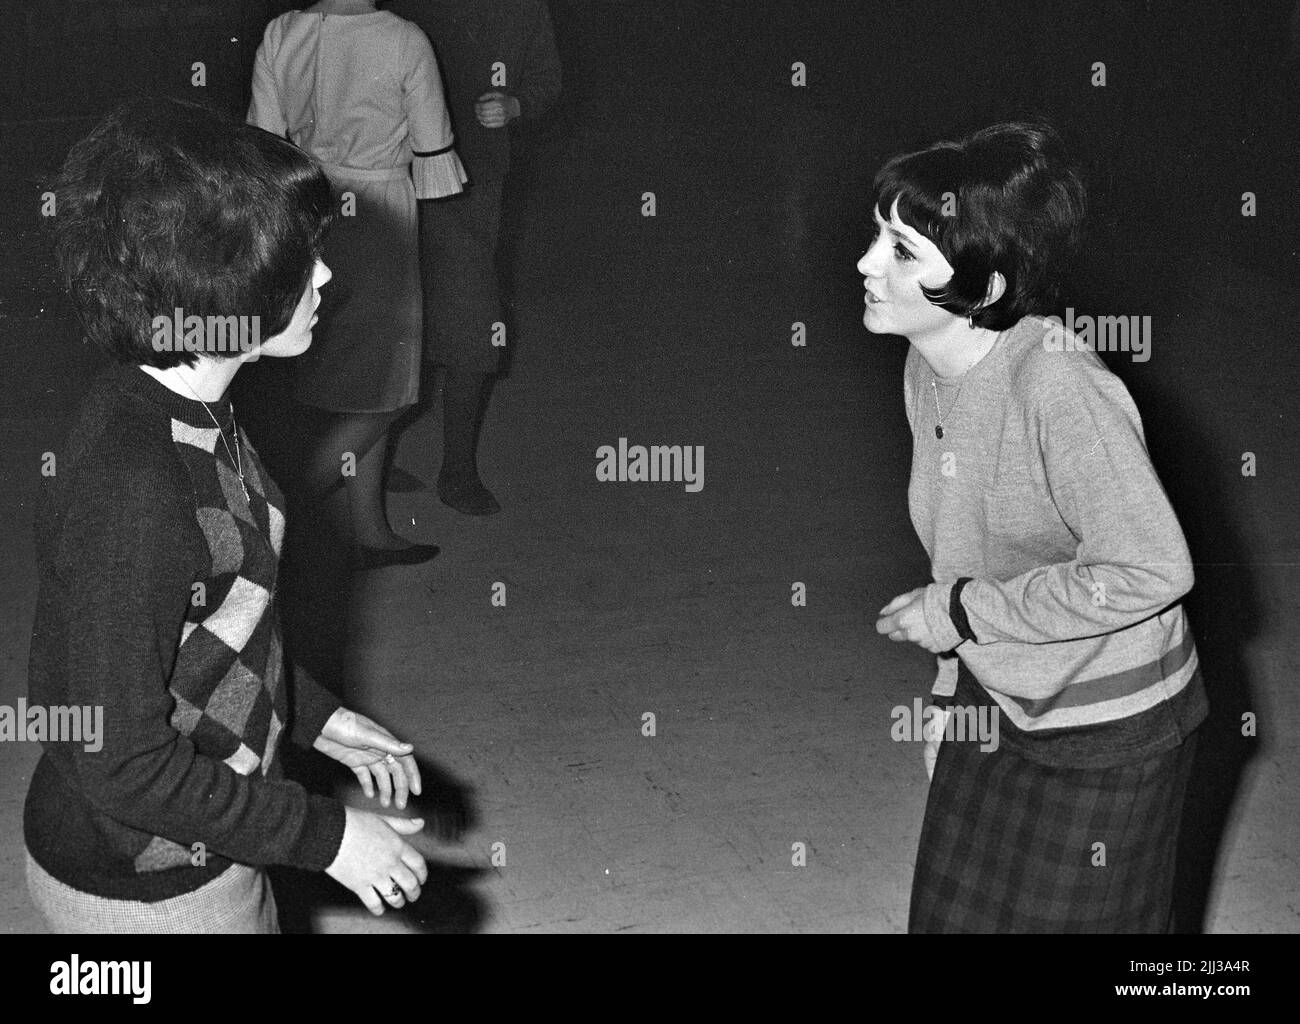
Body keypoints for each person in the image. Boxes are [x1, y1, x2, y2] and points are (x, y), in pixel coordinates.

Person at [25, 97, 430, 932]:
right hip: (144, 884)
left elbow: (214, 625)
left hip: (205, 843)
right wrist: (328, 838)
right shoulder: (135, 483)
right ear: (220, 291)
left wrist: (314, 715)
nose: (324, 277)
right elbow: (118, 757)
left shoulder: (192, 408)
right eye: (297, 262)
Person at [867, 122, 1206, 933]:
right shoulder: (929, 369)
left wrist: (955, 614)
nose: (867, 264)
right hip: (1001, 699)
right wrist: (951, 703)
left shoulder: (1060, 387)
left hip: (1110, 730)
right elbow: (961, 554)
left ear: (982, 292)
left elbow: (1154, 569)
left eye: (902, 252)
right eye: (879, 237)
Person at [249, 0, 468, 567]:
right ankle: (274, 512)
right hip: (380, 219)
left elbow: (263, 147)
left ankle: (369, 529)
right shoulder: (403, 38)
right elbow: (432, 148)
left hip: (310, 213)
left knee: (356, 381)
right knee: (389, 392)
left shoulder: (282, 32)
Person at [387, 0, 562, 515]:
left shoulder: (523, 9)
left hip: (472, 183)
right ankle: (371, 454)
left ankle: (458, 469)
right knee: (389, 326)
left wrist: (516, 106)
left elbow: (547, 79)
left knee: (472, 320)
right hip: (390, 177)